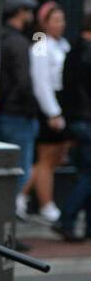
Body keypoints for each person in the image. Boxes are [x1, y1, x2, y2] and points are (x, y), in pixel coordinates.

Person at [23, 1, 72, 224]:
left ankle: (26, 197)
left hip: (61, 102)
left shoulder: (62, 44)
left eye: (62, 20)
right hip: (49, 104)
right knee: (45, 157)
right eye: (55, 20)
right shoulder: (40, 42)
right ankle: (41, 202)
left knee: (54, 157)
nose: (60, 24)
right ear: (44, 22)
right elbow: (41, 81)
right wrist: (52, 111)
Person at [0, 0, 41, 225]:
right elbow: (25, 82)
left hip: (5, 113)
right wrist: (30, 105)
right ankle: (9, 225)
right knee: (19, 171)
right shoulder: (18, 42)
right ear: (21, 12)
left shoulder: (2, 38)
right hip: (18, 115)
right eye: (29, 11)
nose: (31, 16)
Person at [55, 15, 91, 242]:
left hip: (77, 118)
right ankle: (66, 218)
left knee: (86, 172)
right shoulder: (86, 53)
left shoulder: (71, 50)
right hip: (86, 119)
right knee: (89, 174)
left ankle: (84, 225)